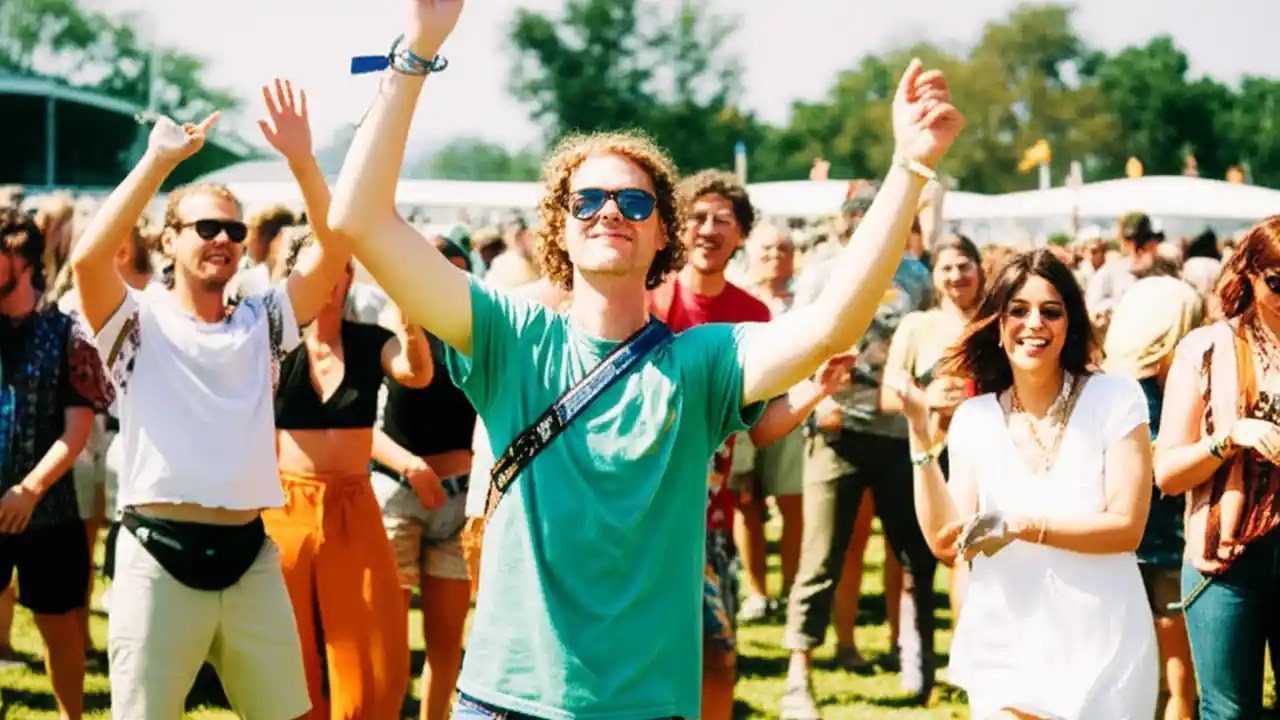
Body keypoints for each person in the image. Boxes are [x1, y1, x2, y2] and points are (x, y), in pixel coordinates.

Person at [327, 4, 962, 717]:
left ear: (664, 232)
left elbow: (830, 323)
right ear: (560, 230)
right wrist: (418, 50)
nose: (609, 211)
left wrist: (909, 167)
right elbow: (360, 219)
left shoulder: (702, 362)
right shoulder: (511, 337)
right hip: (505, 700)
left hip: (648, 704)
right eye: (587, 199)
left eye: (633, 200)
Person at [71, 88, 351, 717]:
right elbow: (89, 259)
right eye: (205, 227)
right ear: (168, 242)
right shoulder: (136, 322)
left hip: (249, 553)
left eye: (233, 229)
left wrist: (304, 161)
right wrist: (160, 162)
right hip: (156, 553)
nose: (222, 238)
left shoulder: (264, 322)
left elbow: (333, 255)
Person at [903, 248, 1158, 719]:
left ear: (1070, 323)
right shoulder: (975, 419)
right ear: (997, 327)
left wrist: (1023, 525)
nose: (1034, 323)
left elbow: (1126, 527)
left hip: (1103, 640)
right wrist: (921, 438)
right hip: (1006, 638)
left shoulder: (1115, 397)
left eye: (1051, 311)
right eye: (1018, 311)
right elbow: (948, 543)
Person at [780, 187, 937, 720]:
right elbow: (794, 339)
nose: (866, 228)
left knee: (915, 554)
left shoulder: (917, 277)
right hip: (836, 429)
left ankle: (920, 663)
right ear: (844, 225)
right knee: (820, 558)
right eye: (858, 220)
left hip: (897, 432)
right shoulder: (823, 273)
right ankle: (798, 673)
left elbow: (931, 344)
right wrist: (813, 401)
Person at [1155, 214, 1280, 719]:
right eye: (1278, 281)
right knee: (1229, 711)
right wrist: (1227, 439)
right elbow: (1168, 474)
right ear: (1249, 274)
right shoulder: (1205, 349)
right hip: (1226, 557)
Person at [0, 210, 114, 720]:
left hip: (50, 511)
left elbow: (77, 431)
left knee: (61, 629)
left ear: (20, 261)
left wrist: (29, 489)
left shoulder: (65, 332)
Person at [370, 235, 477, 720]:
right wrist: (412, 467)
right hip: (397, 493)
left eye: (454, 271)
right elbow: (359, 428)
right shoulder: (385, 336)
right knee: (384, 639)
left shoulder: (480, 338)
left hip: (459, 499)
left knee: (446, 643)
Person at [1103, 276, 1203, 720]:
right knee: (1175, 652)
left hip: (1115, 538)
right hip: (1165, 539)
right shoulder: (1161, 391)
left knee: (1126, 652)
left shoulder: (1105, 387)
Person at [880, 233, 984, 623]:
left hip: (988, 454)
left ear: (979, 269)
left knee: (970, 556)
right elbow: (889, 396)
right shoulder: (916, 325)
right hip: (932, 454)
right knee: (921, 561)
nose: (956, 276)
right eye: (947, 268)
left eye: (964, 266)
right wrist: (927, 402)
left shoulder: (1000, 322)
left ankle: (971, 655)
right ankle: (917, 666)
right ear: (933, 275)